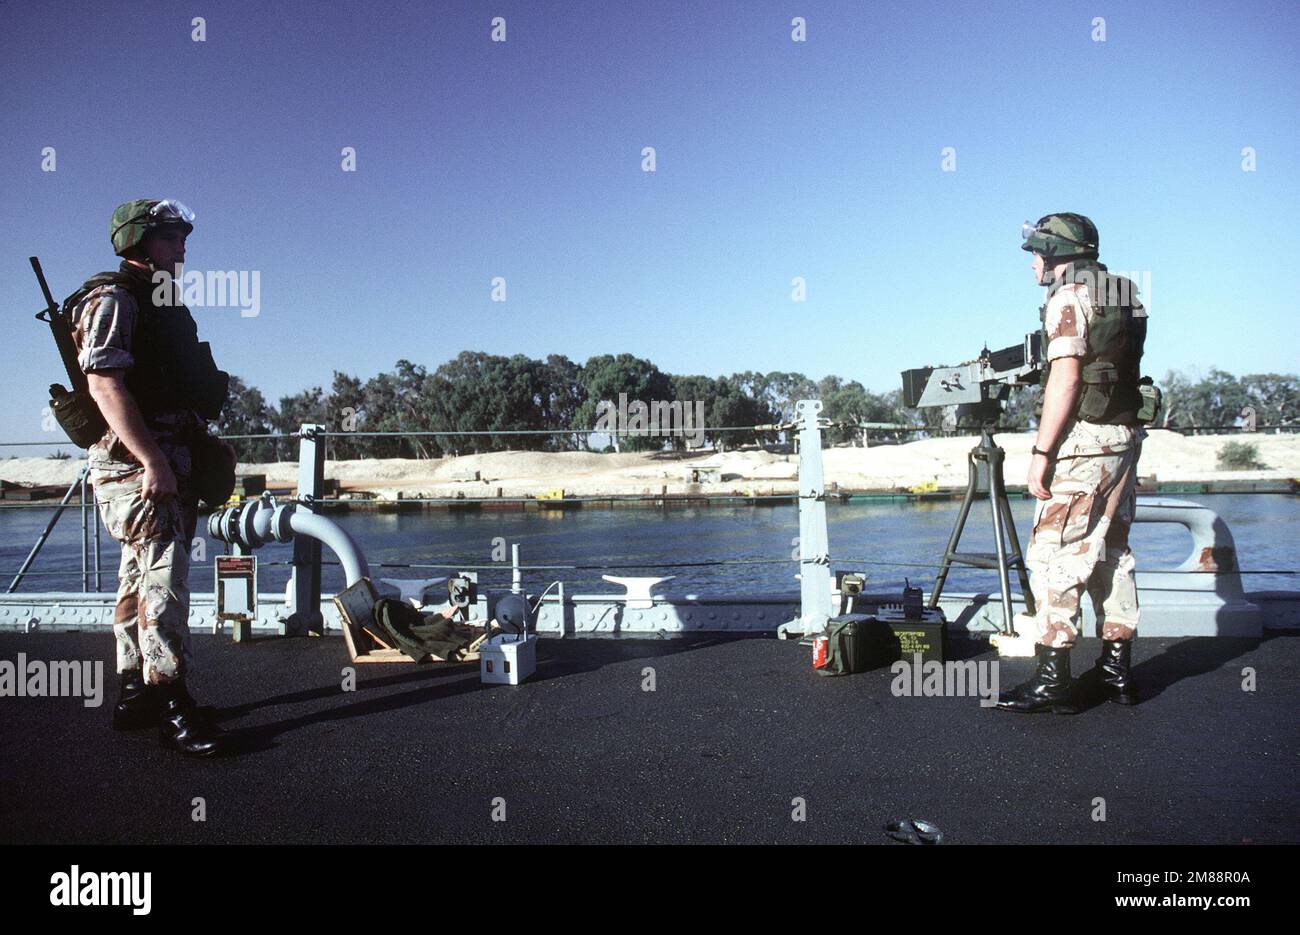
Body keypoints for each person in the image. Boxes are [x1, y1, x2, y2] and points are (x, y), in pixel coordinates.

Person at [68, 198, 235, 755]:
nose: (182, 246)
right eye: (169, 236)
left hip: (162, 457)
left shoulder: (159, 300)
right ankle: (173, 705)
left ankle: (135, 694)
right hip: (139, 463)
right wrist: (153, 462)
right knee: (164, 582)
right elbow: (105, 386)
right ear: (139, 241)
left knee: (137, 580)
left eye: (183, 235)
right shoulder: (114, 298)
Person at [996, 213, 1146, 713]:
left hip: (1083, 442)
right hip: (1124, 436)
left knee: (1055, 554)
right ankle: (1114, 673)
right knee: (1110, 551)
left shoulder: (1068, 297)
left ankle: (1052, 680)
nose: (1033, 261)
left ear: (1058, 254)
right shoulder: (1124, 292)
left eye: (1038, 252)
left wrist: (1041, 453)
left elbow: (1066, 380)